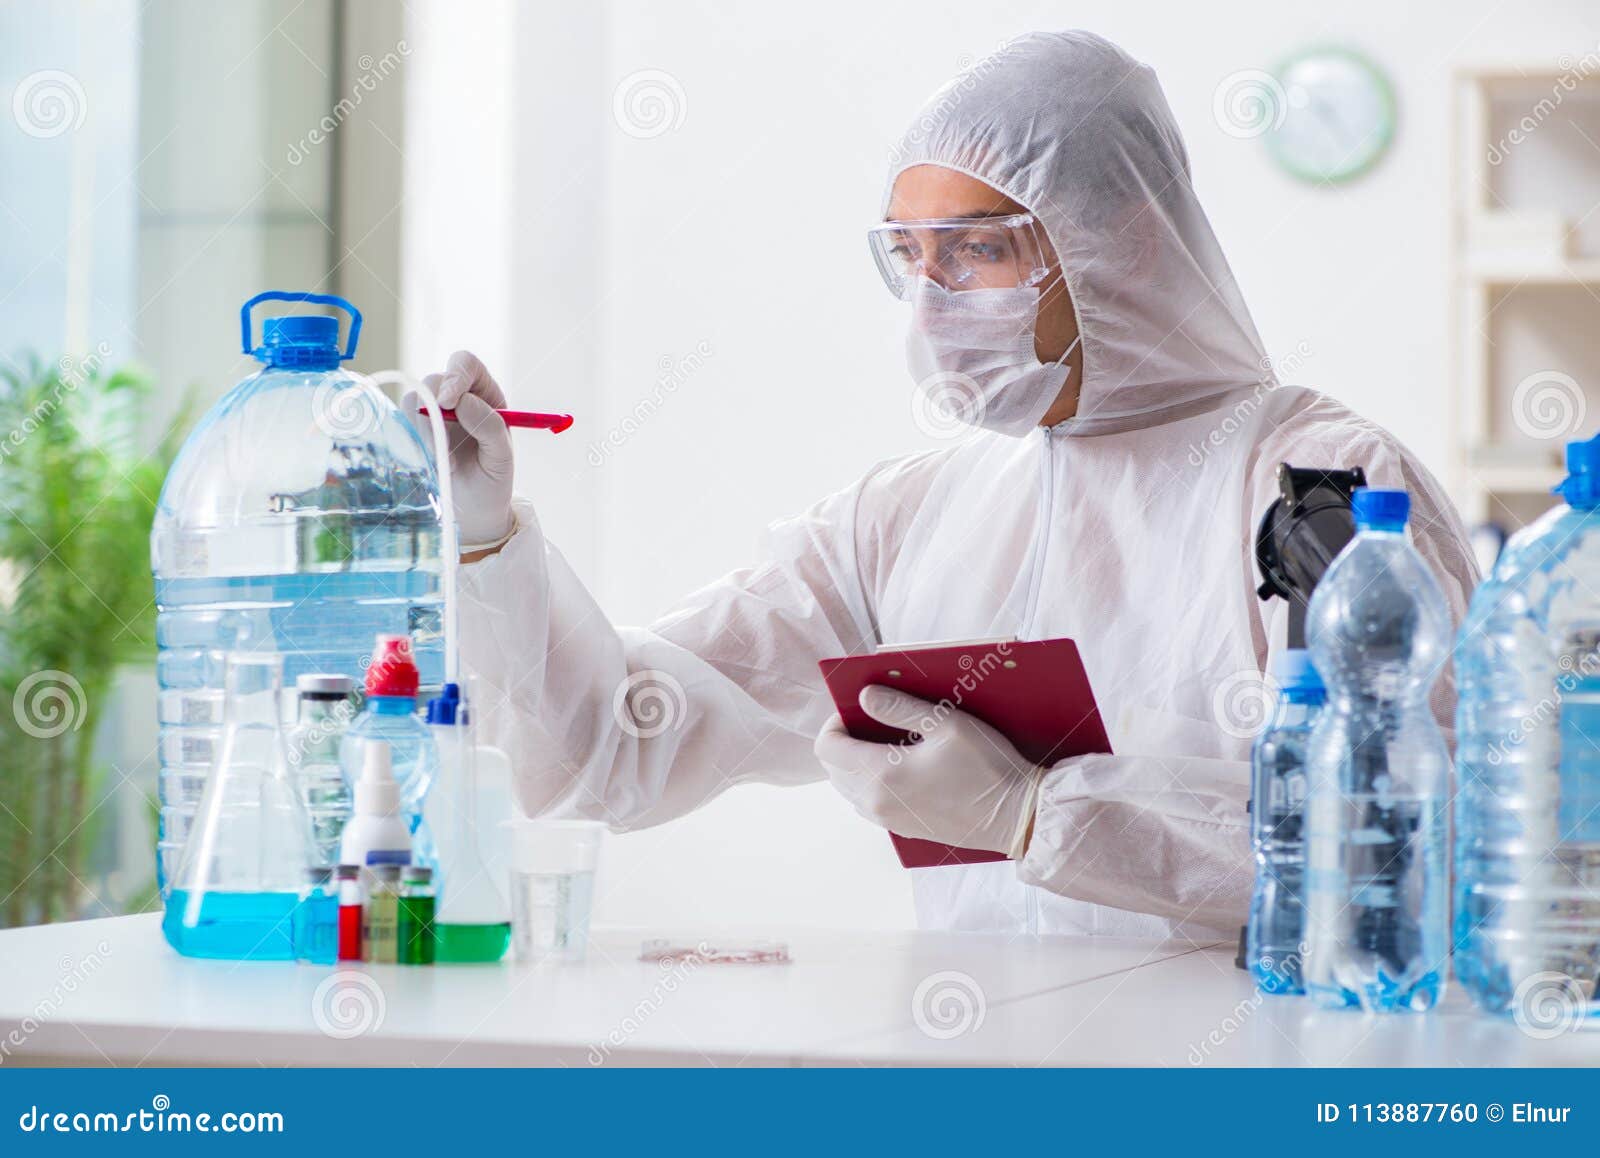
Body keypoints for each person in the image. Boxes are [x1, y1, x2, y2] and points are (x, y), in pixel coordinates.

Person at [412, 31, 1478, 940]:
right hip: (977, 1067)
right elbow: (609, 751)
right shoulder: (904, 518)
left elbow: (1405, 860)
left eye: (978, 251)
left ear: (1125, 242)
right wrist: (485, 536)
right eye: (910, 256)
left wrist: (1038, 814)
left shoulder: (1320, 486)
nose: (931, 303)